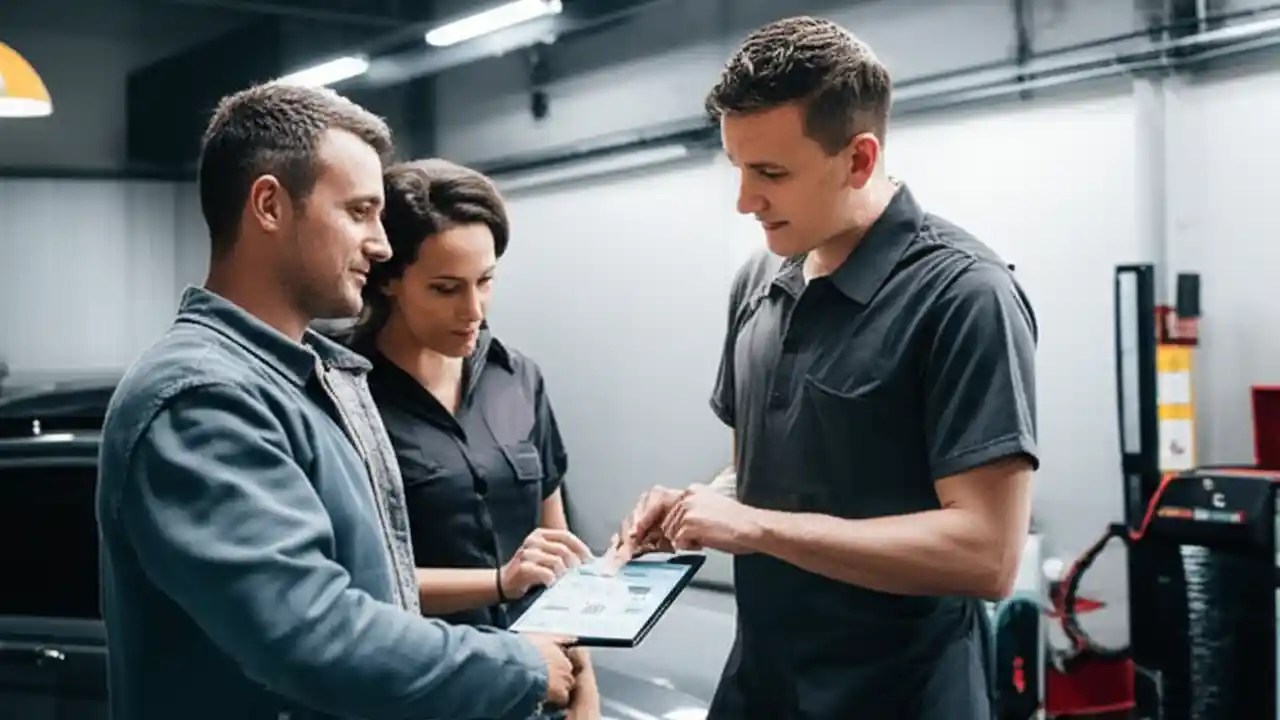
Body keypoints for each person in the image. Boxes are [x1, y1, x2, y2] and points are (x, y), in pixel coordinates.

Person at [95, 82, 577, 720]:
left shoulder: (311, 381)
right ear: (269, 204)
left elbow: (384, 599)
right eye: (358, 212)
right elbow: (315, 634)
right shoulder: (203, 399)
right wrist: (515, 664)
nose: (380, 245)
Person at [609, 16, 1039, 720]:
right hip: (761, 683)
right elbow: (766, 466)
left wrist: (751, 527)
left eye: (771, 174)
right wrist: (699, 505)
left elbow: (986, 555)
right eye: (739, 169)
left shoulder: (965, 296)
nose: (745, 200)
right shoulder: (758, 280)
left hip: (896, 696)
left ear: (859, 160)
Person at [345, 158, 601, 719]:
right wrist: (497, 583)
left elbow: (560, 554)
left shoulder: (519, 378)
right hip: (429, 696)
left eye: (485, 281)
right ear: (388, 279)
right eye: (445, 288)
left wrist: (587, 696)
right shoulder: (344, 397)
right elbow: (351, 587)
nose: (474, 311)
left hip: (544, 693)